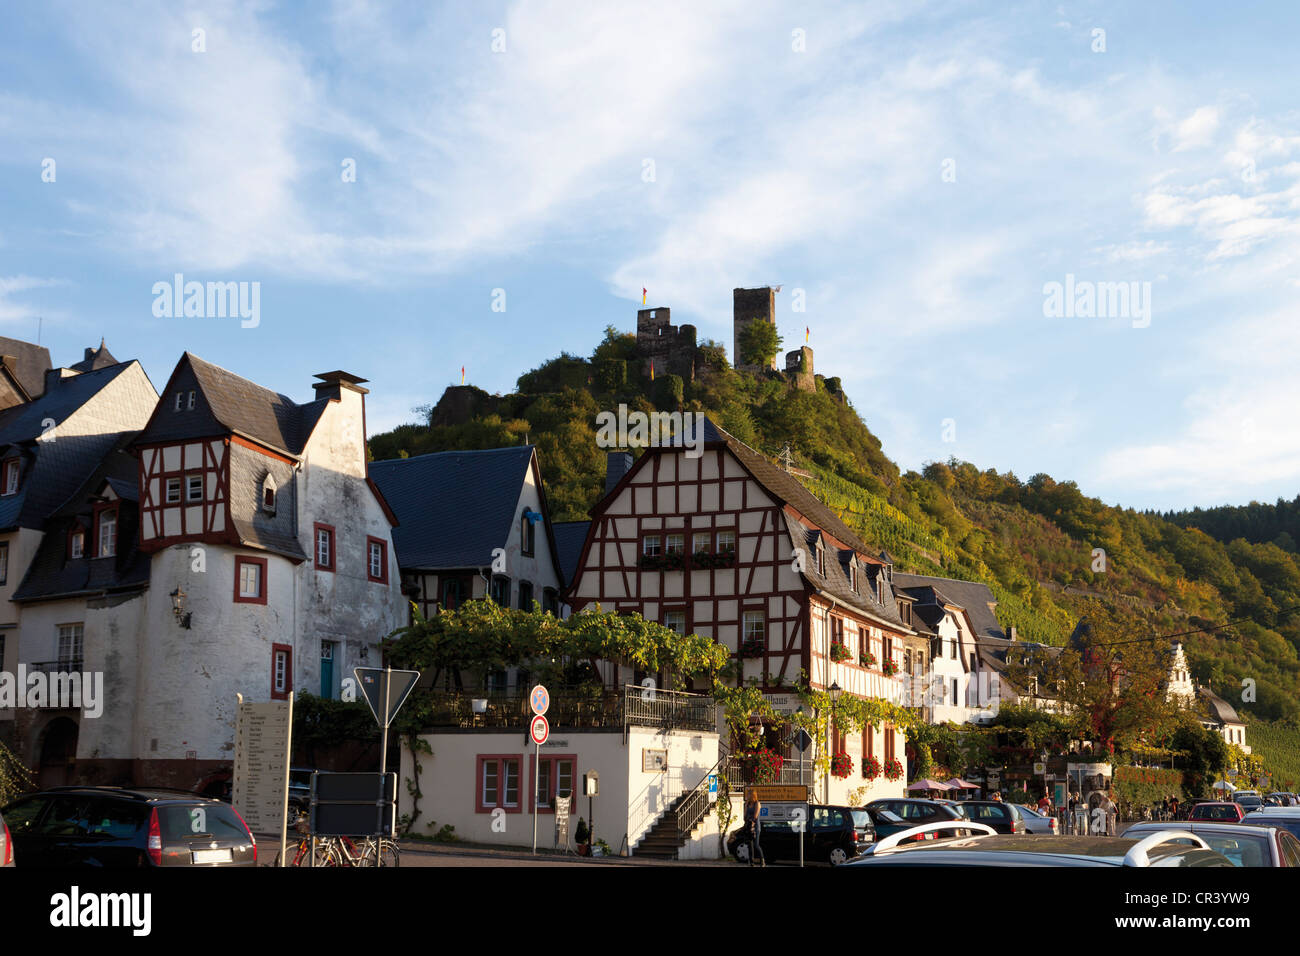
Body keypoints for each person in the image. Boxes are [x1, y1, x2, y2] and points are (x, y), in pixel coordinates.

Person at [742, 793, 765, 867]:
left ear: (752, 796)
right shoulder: (747, 804)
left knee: (756, 845)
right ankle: (751, 862)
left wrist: (749, 819)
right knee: (750, 846)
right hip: (748, 827)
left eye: (748, 795)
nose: (747, 797)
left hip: (756, 827)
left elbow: (755, 816)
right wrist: (745, 807)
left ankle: (762, 861)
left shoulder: (757, 803)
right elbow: (744, 817)